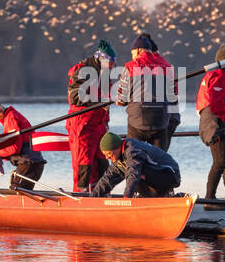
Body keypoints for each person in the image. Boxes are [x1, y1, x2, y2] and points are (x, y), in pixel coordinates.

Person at [65, 40, 116, 191]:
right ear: (100, 58)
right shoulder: (84, 70)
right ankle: (80, 194)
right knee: (83, 163)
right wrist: (98, 101)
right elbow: (74, 97)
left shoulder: (105, 75)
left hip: (99, 126)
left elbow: (106, 102)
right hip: (82, 125)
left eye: (114, 63)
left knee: (102, 163)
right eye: (110, 62)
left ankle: (99, 193)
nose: (112, 66)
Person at [115, 33, 177, 151]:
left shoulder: (130, 67)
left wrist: (120, 101)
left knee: (134, 158)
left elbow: (122, 99)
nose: (132, 56)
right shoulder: (166, 66)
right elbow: (173, 95)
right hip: (161, 122)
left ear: (138, 51)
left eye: (132, 53)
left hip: (138, 122)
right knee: (159, 161)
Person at [196, 43, 225, 200]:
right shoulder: (219, 75)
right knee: (221, 161)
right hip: (215, 125)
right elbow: (216, 104)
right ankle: (210, 199)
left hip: (222, 124)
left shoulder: (223, 75)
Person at [87, 132, 181, 198]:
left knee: (134, 176)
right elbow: (108, 179)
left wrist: (127, 199)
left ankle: (165, 194)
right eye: (105, 155)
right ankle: (147, 197)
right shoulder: (119, 157)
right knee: (128, 177)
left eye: (109, 154)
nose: (107, 157)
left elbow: (133, 174)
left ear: (118, 148)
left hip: (170, 174)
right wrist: (93, 198)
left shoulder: (132, 151)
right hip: (155, 175)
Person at [0, 95, 46, 189]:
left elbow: (14, 148)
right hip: (32, 164)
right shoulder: (11, 116)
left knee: (16, 194)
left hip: (29, 164)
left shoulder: (11, 119)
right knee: (18, 192)